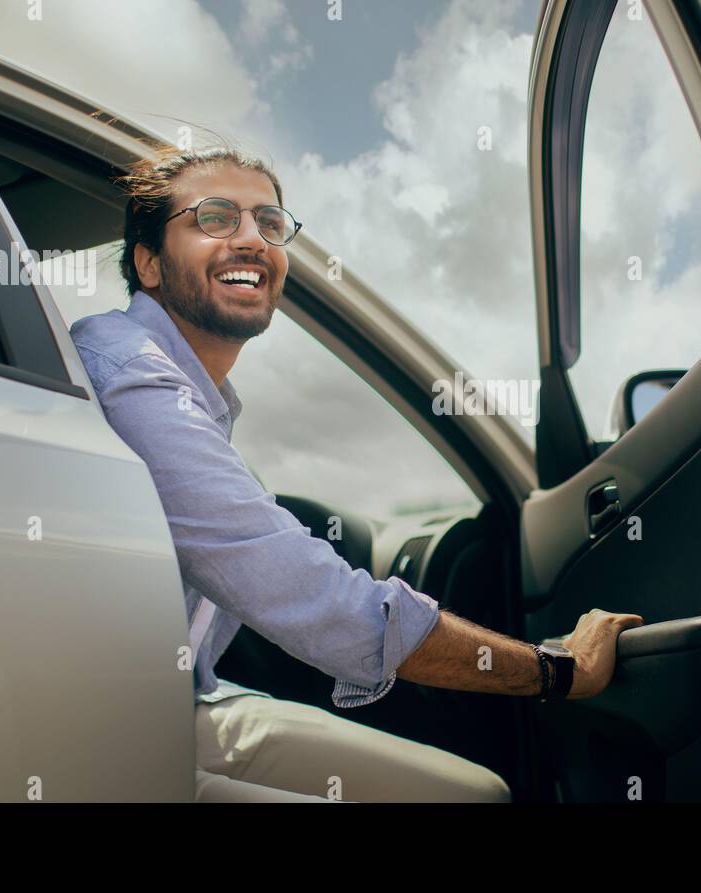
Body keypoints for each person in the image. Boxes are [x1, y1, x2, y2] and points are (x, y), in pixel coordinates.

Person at [70, 144, 643, 802]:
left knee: (476, 793)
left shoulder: (187, 391)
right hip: (105, 730)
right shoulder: (130, 372)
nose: (252, 239)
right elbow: (304, 591)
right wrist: (556, 669)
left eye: (269, 223)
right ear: (148, 263)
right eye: (217, 218)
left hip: (185, 700)